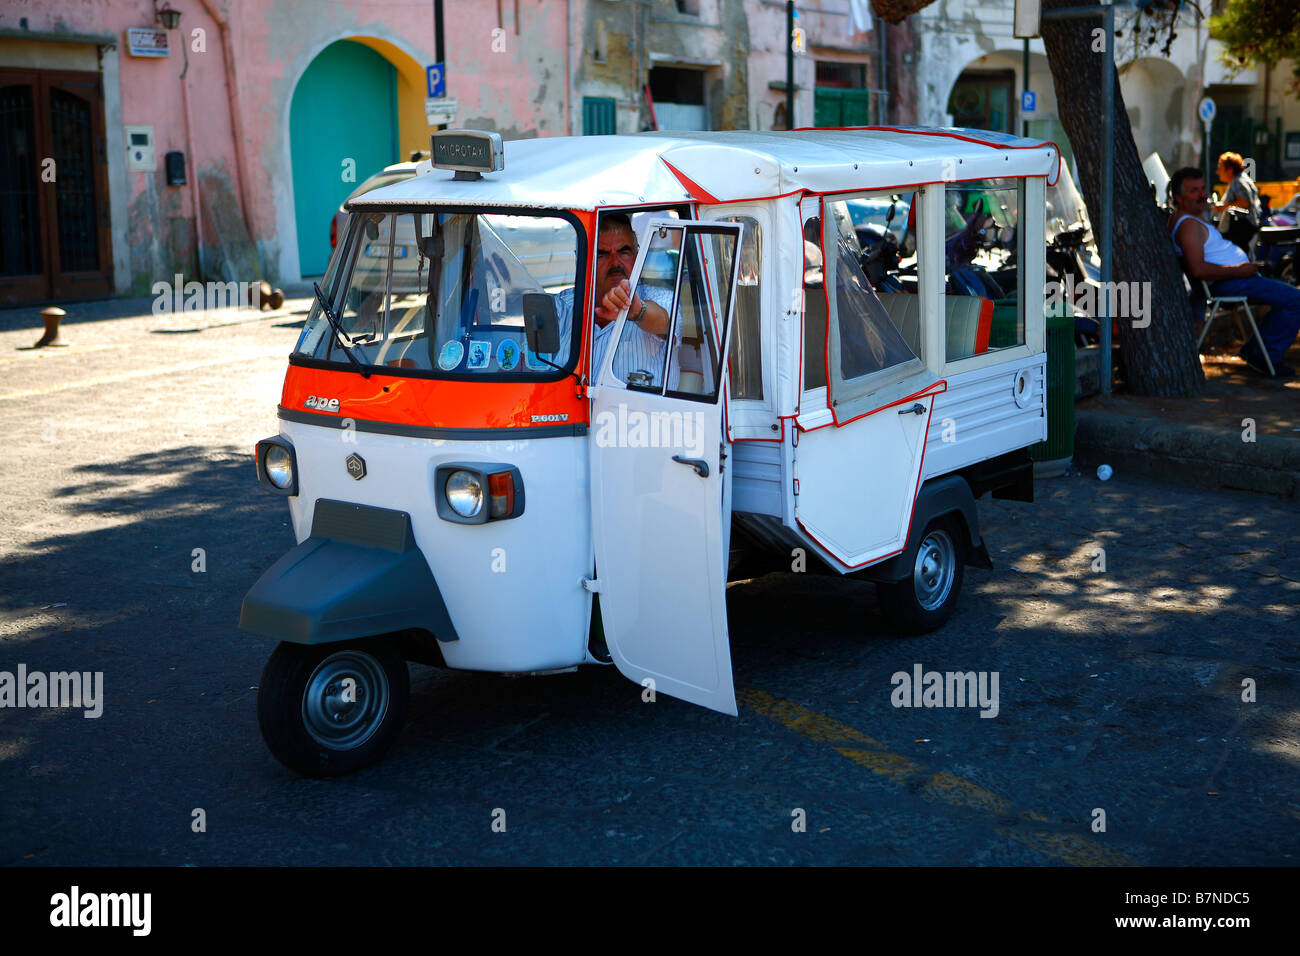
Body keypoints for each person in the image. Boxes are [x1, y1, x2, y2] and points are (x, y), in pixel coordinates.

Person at [1170, 166, 1300, 378]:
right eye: (1194, 191)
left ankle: (1257, 350)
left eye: (1203, 188)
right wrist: (1238, 270)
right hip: (1230, 283)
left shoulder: (1190, 218)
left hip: (1235, 279)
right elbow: (1198, 269)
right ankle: (1262, 356)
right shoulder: (1188, 226)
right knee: (1296, 300)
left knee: (1289, 297)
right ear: (1179, 196)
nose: (1202, 195)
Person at [553, 213, 675, 384]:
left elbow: (665, 322)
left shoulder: (661, 297)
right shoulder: (563, 305)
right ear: (582, 259)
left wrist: (637, 311)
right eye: (602, 254)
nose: (614, 263)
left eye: (624, 252)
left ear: (637, 255)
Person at [1213, 152, 1262, 227]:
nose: (1217, 172)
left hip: (1242, 230)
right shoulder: (1242, 178)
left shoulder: (1237, 181)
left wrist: (1223, 206)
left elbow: (1244, 203)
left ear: (1230, 170)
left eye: (1220, 168)